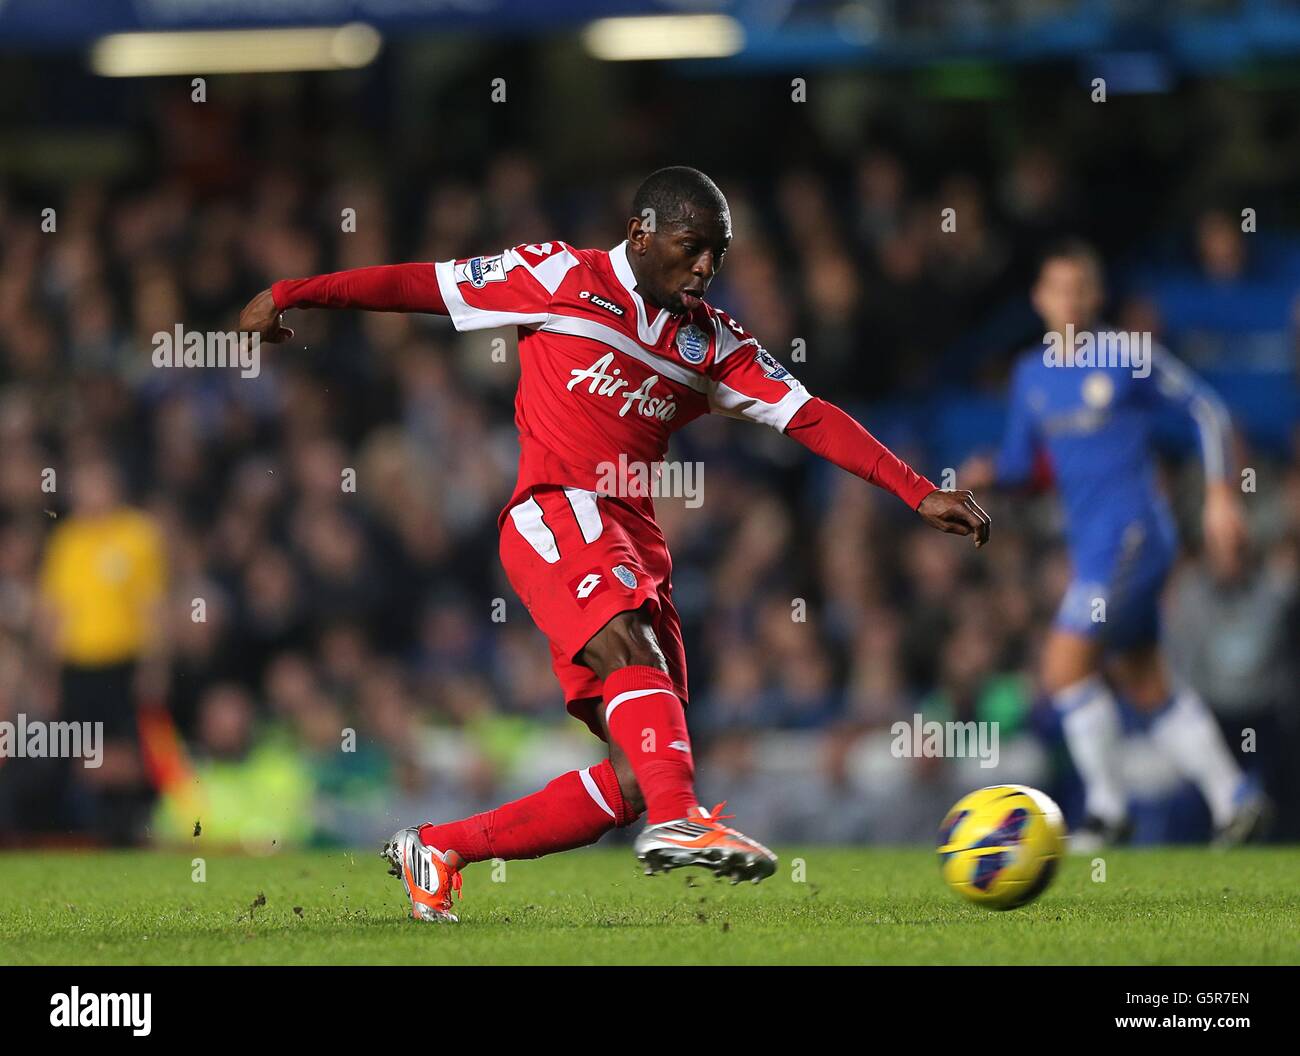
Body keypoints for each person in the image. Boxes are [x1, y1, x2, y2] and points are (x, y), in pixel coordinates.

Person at [240, 166, 990, 922]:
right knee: (636, 663)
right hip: (555, 512)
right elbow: (422, 286)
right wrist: (294, 292)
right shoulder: (558, 274)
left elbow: (809, 415)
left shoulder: (713, 342)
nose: (705, 268)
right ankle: (682, 820)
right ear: (643, 232)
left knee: (633, 778)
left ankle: (438, 847)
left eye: (718, 256)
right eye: (694, 247)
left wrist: (914, 488)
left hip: (634, 544)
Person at [963, 239, 1268, 850]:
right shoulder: (1030, 376)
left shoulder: (1126, 354)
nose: (1069, 301)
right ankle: (1234, 797)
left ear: (1096, 297)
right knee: (1144, 679)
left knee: (1062, 668)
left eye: (1081, 289)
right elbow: (1027, 465)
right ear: (1039, 299)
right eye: (1058, 289)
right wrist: (989, 474)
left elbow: (1207, 410)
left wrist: (1220, 496)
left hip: (1134, 535)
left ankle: (1106, 812)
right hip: (1091, 544)